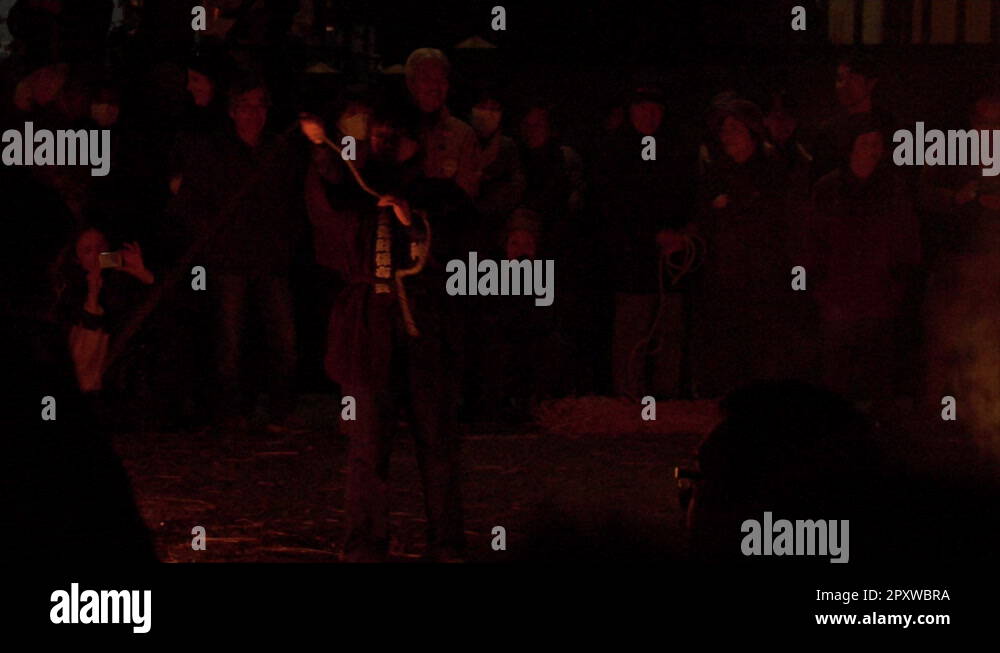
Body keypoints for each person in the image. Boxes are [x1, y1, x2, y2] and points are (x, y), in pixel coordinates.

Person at [301, 108, 468, 562]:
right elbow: (331, 202)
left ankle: (447, 541)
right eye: (377, 136)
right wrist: (322, 145)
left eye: (397, 136)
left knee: (436, 441)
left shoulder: (437, 193)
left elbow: (455, 247)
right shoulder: (352, 190)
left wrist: (414, 221)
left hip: (421, 331)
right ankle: (364, 541)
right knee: (367, 443)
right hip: (368, 328)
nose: (387, 144)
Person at [170, 73, 303, 433]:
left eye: (260, 105)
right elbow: (189, 202)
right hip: (228, 259)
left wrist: (284, 241)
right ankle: (231, 412)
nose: (254, 113)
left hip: (270, 258)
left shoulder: (280, 150)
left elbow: (291, 203)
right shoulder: (214, 151)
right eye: (246, 105)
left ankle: (280, 409)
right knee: (229, 341)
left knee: (284, 340)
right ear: (232, 111)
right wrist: (213, 238)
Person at [691, 97, 817, 398]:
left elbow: (787, 224)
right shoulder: (715, 173)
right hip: (726, 280)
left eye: (734, 129)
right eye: (724, 130)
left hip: (766, 280)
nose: (727, 137)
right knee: (728, 348)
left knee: (764, 349)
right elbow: (704, 220)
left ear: (751, 132)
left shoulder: (776, 172)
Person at [806, 115, 922, 404]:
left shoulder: (893, 188)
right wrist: (820, 288)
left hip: (879, 300)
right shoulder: (828, 189)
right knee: (837, 378)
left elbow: (907, 243)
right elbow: (811, 240)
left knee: (877, 377)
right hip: (838, 300)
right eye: (865, 143)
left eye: (877, 144)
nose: (872, 150)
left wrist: (896, 288)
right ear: (850, 148)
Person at [51, 227, 155, 394]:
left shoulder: (120, 276)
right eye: (88, 251)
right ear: (77, 259)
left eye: (101, 247)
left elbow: (150, 307)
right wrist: (93, 295)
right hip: (106, 381)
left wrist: (143, 274)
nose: (97, 254)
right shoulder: (71, 294)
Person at [404, 47, 480, 199]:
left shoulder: (462, 134)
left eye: (441, 79)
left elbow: (468, 191)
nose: (435, 87)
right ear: (411, 83)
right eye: (427, 79)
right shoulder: (395, 128)